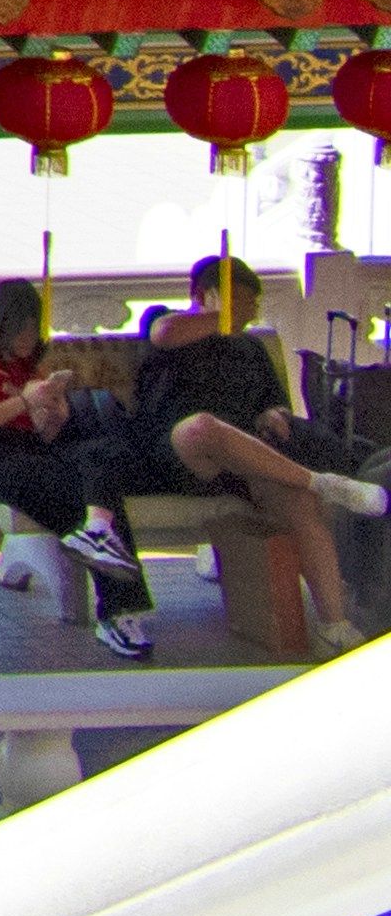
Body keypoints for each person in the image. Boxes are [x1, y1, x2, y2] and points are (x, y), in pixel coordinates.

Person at [125, 264, 382, 655]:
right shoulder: (164, 321)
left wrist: (273, 413)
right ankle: (321, 480)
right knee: (203, 427)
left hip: (245, 462)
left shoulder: (250, 348)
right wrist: (221, 316)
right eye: (239, 301)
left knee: (300, 502)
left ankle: (335, 626)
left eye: (252, 303)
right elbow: (165, 333)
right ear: (202, 295)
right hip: (179, 454)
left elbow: (273, 401)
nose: (249, 311)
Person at [0, 276, 161, 659]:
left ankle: (99, 538)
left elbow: (45, 432)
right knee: (76, 497)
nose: (26, 339)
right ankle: (119, 611)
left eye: (31, 330)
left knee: (98, 468)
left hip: (31, 449)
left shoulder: (26, 368)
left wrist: (54, 412)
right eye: (20, 330)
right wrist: (24, 401)